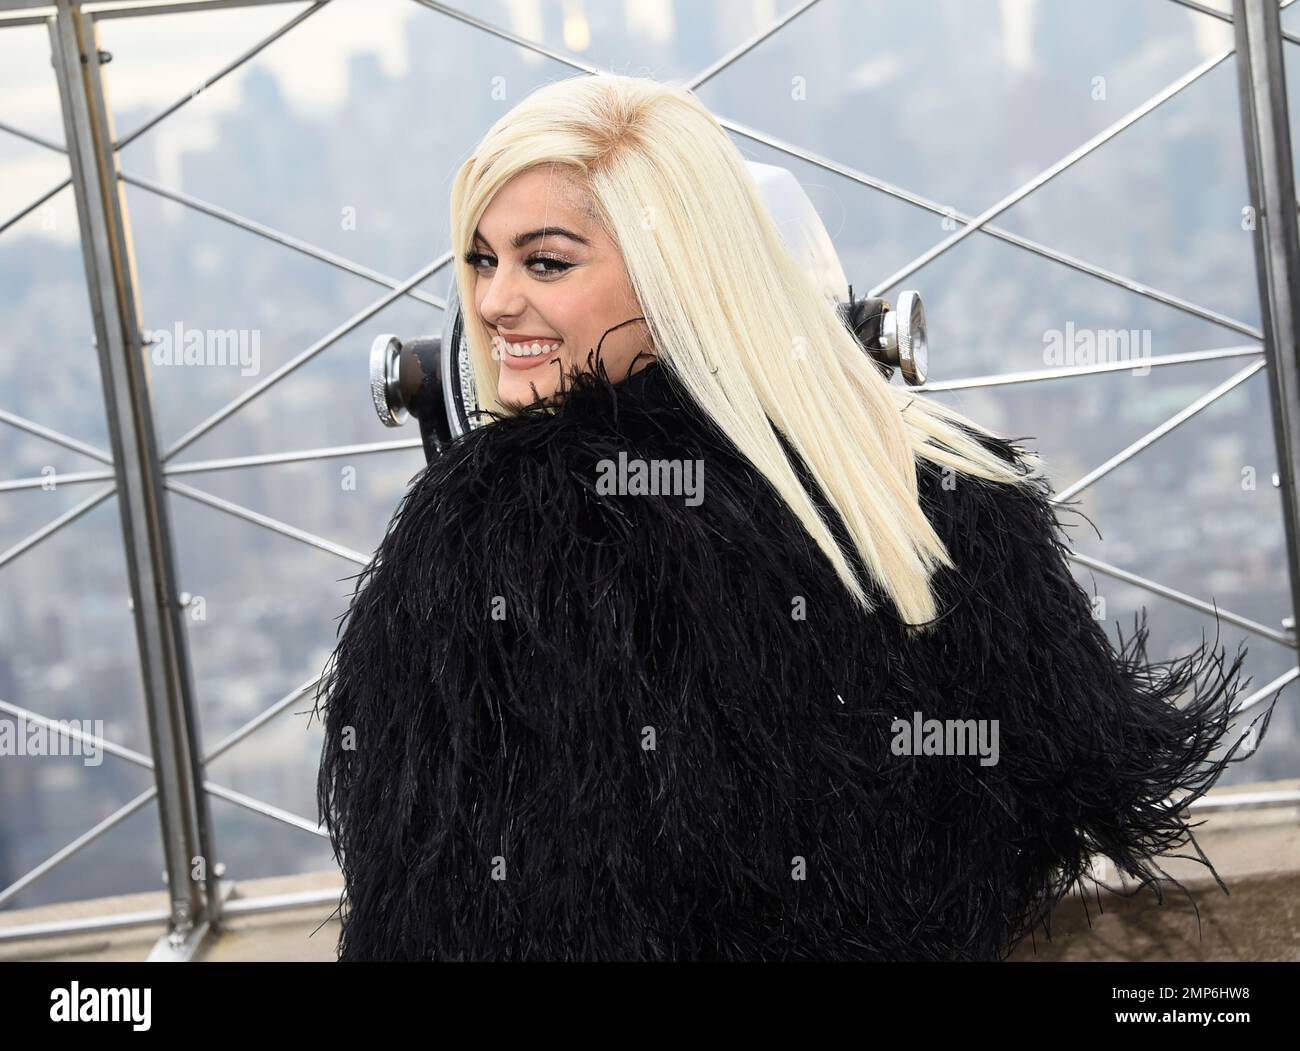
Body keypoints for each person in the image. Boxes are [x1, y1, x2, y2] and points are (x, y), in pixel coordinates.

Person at [312, 72, 1278, 961]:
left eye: (546, 263)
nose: (492, 302)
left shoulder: (487, 545)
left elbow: (433, 912)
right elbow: (1051, 795)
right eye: (482, 259)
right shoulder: (933, 497)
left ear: (673, 274)